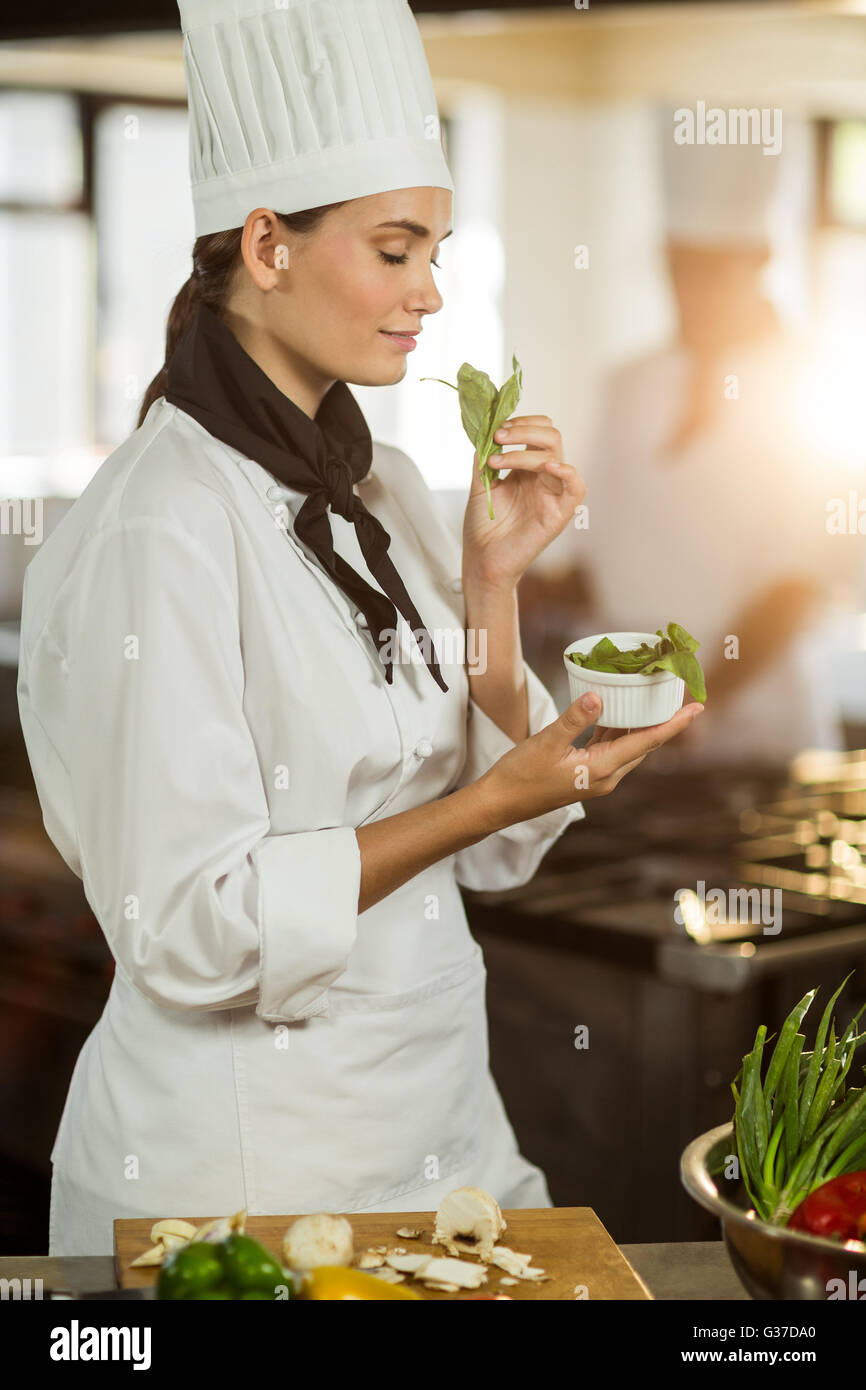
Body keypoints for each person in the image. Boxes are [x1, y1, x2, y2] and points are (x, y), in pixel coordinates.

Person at [16, 0, 702, 1256]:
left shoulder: (377, 477)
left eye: (435, 250)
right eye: (394, 252)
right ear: (266, 245)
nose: (429, 293)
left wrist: (489, 582)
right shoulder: (155, 529)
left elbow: (488, 850)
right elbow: (193, 924)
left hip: (438, 1129)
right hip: (242, 1171)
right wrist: (492, 801)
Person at [526, 117, 862, 768]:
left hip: (762, 744)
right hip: (632, 736)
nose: (688, 290)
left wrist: (690, 704)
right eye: (676, 266)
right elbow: (605, 567)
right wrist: (527, 587)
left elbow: (797, 591)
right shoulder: (629, 384)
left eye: (710, 270)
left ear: (759, 262)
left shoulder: (817, 391)